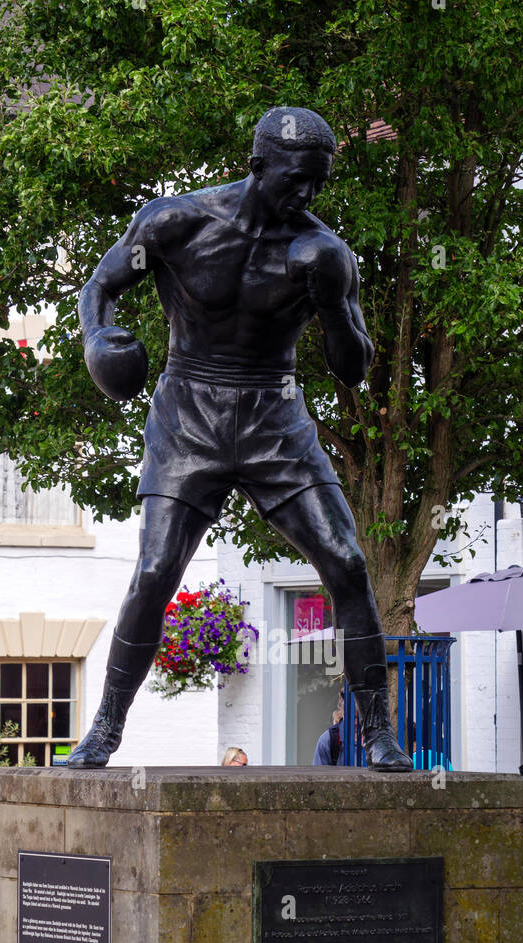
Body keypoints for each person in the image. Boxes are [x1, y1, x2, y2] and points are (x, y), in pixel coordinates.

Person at [67, 106, 411, 772]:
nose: (306, 196)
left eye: (318, 184)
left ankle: (377, 733)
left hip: (274, 415)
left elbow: (353, 368)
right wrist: (97, 341)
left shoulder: (325, 251)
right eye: (296, 179)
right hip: (187, 409)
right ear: (258, 165)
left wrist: (335, 302)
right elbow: (101, 286)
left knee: (346, 561)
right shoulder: (175, 222)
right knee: (153, 572)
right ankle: (105, 728)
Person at [313, 692, 345, 765]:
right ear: (341, 708)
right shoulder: (328, 739)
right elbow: (318, 775)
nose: (357, 712)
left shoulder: (375, 737)